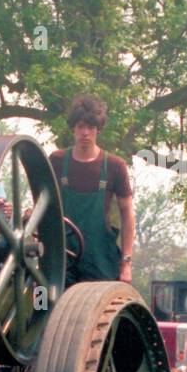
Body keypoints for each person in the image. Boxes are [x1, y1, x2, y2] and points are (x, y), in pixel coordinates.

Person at [48, 95, 135, 284]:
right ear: (73, 129)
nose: (85, 133)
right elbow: (42, 205)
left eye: (90, 127)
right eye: (80, 126)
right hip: (60, 258)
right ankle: (36, 313)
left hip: (101, 261)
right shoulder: (56, 161)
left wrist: (126, 263)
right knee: (41, 298)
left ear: (98, 130)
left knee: (99, 311)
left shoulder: (115, 165)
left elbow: (127, 215)